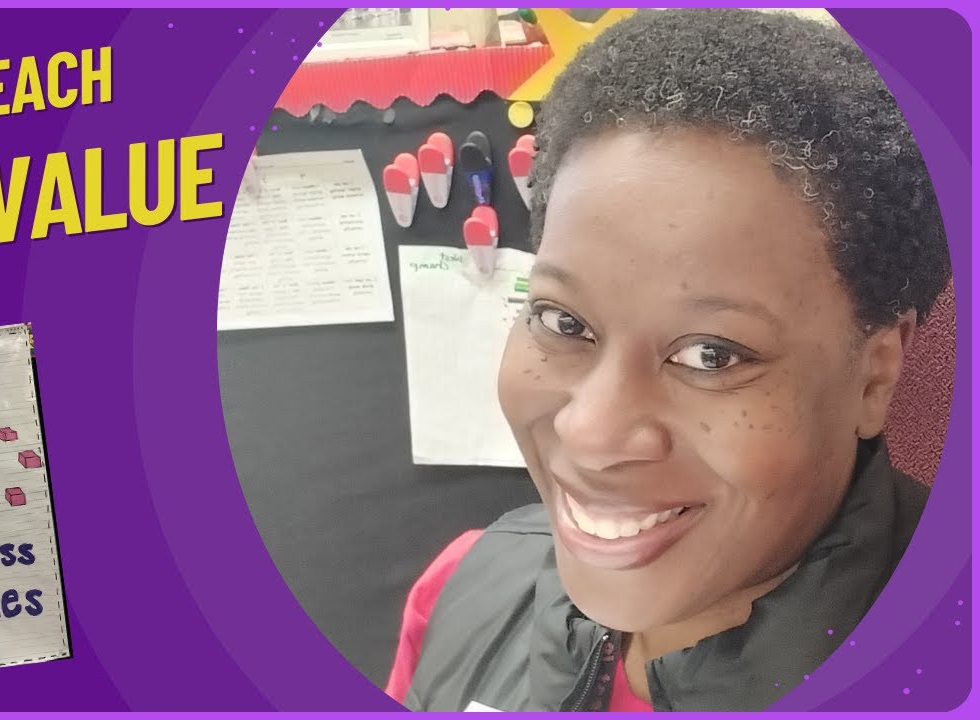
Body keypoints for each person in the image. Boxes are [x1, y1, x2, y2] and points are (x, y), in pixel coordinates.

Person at [388, 8, 949, 712]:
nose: (590, 434)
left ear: (875, 375)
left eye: (711, 355)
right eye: (563, 321)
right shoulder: (465, 587)